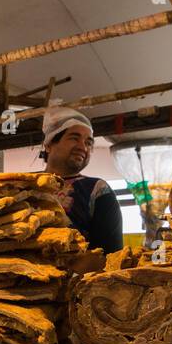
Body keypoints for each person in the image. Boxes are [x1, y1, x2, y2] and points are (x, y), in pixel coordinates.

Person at [39, 107, 123, 254]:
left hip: (79, 276)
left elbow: (110, 255)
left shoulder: (98, 190)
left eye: (89, 142)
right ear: (48, 144)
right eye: (74, 138)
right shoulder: (22, 185)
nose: (82, 147)